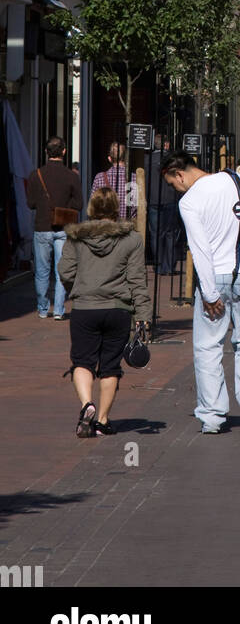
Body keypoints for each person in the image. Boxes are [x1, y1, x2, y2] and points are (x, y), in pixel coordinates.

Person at [162, 150, 240, 434]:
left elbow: (200, 249)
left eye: (173, 184)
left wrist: (208, 293)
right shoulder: (236, 181)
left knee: (208, 347)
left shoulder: (190, 201)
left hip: (215, 277)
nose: (175, 189)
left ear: (179, 174)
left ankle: (212, 415)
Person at [58, 187, 151, 438]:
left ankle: (87, 404)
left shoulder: (76, 238)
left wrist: (78, 289)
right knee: (110, 366)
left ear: (91, 208)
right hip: (117, 309)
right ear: (115, 208)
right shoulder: (131, 239)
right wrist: (143, 315)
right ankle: (102, 420)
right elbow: (137, 280)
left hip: (84, 308)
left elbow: (65, 272)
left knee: (82, 361)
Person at [26, 136, 83, 320]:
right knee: (62, 271)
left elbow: (30, 203)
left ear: (46, 152)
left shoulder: (36, 175)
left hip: (42, 226)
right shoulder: (71, 176)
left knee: (42, 271)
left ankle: (43, 308)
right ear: (64, 151)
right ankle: (59, 309)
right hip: (64, 227)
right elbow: (79, 204)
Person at [145, 135, 180, 274]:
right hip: (171, 198)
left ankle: (159, 265)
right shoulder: (173, 161)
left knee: (156, 234)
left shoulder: (147, 160)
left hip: (153, 200)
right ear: (166, 145)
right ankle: (169, 266)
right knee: (170, 233)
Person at [90, 142, 136, 221]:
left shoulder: (99, 177)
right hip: (125, 226)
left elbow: (93, 204)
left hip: (105, 226)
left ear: (109, 159)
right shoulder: (133, 178)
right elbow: (135, 207)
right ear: (125, 158)